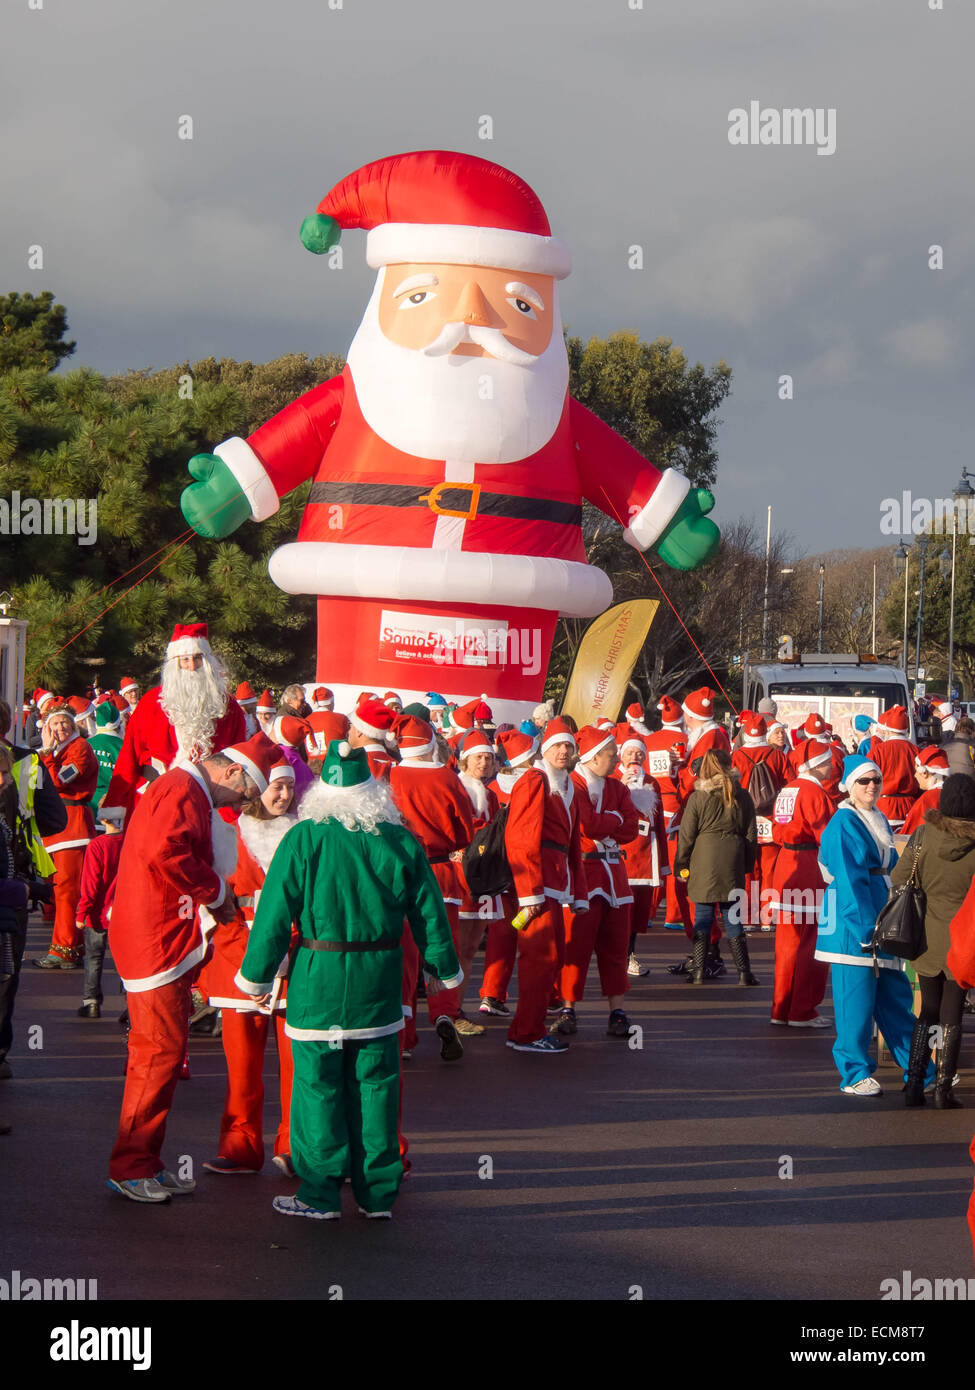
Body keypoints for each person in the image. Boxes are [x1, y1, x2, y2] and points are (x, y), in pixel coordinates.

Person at [236, 740, 461, 1219]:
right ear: (372, 790)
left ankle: (319, 1193)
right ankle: (377, 1192)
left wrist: (255, 978)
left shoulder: (303, 838)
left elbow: (274, 914)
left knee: (317, 1087)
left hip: (319, 978)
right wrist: (443, 969)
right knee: (377, 1085)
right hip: (378, 980)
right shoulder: (399, 838)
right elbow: (429, 912)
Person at [106, 732, 275, 1203]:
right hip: (154, 937)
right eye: (244, 793)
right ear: (232, 771)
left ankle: (145, 1161)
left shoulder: (183, 788)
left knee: (162, 1049)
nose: (242, 805)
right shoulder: (182, 789)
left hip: (160, 933)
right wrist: (217, 893)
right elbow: (166, 851)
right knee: (157, 1052)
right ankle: (132, 1163)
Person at [815, 755, 933, 1098]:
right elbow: (851, 884)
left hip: (882, 921)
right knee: (856, 1004)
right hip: (854, 930)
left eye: (876, 781)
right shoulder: (843, 824)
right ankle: (853, 1073)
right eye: (864, 781)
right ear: (850, 785)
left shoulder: (875, 816)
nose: (871, 786)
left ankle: (921, 1069)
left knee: (895, 1001)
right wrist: (867, 930)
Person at [201, 762, 298, 1175]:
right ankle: (240, 1146)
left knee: (300, 1065)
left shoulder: (305, 835)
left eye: (290, 788)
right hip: (238, 963)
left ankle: (296, 1145)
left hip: (296, 960)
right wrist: (252, 967)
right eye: (276, 786)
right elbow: (218, 909)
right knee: (242, 1069)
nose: (284, 796)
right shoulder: (226, 834)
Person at [100, 623, 246, 826]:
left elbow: (238, 759)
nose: (192, 666)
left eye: (197, 658)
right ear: (175, 664)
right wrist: (116, 802)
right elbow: (129, 755)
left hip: (209, 807)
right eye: (185, 660)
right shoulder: (151, 703)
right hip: (154, 802)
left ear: (208, 662)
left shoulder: (228, 708)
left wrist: (235, 809)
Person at [389, 715, 477, 1050]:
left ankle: (406, 1035)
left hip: (402, 875)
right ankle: (444, 1013)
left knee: (407, 955)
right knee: (443, 949)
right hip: (441, 874)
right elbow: (465, 831)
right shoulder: (446, 777)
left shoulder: (390, 776)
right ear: (429, 744)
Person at [889, 773, 975, 1109]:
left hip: (926, 935)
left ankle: (914, 1085)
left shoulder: (924, 835)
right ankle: (943, 1089)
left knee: (928, 1011)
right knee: (954, 1015)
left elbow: (899, 879)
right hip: (964, 938)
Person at [504, 718, 587, 1054]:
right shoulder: (535, 780)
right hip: (538, 884)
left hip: (556, 883)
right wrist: (529, 892)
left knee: (551, 957)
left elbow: (574, 844)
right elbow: (521, 838)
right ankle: (526, 1032)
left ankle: (528, 1027)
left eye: (568, 746)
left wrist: (578, 892)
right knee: (540, 957)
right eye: (557, 745)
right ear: (544, 749)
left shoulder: (567, 785)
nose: (564, 751)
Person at [557, 726, 639, 1036]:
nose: (617, 760)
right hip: (583, 876)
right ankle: (567, 1008)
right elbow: (588, 825)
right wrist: (614, 819)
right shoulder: (573, 785)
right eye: (611, 755)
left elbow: (632, 827)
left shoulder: (617, 787)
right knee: (575, 947)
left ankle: (617, 1010)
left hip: (615, 877)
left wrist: (613, 821)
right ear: (593, 758)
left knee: (615, 948)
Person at [674, 748, 759, 986]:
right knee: (733, 917)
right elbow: (751, 835)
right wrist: (746, 865)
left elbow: (687, 836)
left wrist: (682, 866)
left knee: (702, 915)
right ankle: (744, 973)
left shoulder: (698, 797)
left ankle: (699, 970)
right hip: (732, 856)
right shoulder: (741, 795)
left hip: (704, 857)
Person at [769, 740, 836, 1025]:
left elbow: (776, 830)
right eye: (828, 761)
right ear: (817, 764)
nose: (833, 766)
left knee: (786, 946)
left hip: (785, 866)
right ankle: (803, 1010)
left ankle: (781, 1009)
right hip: (810, 869)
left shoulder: (789, 788)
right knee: (812, 943)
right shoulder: (814, 792)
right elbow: (828, 836)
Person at [478, 726, 537, 1017]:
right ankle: (545, 1000)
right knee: (533, 936)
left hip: (495, 872)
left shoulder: (491, 788)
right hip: (524, 871)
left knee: (502, 932)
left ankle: (492, 993)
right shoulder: (536, 783)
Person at [34, 705, 99, 969]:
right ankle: (67, 946)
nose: (60, 729)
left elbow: (58, 781)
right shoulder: (59, 750)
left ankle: (65, 950)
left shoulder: (80, 748)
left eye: (64, 724)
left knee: (67, 892)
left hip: (72, 830)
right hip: (57, 830)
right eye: (55, 724)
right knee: (61, 891)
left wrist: (47, 755)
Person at [615, 738, 668, 976]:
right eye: (630, 752)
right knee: (620, 909)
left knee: (638, 913)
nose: (634, 757)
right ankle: (618, 956)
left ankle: (629, 955)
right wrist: (621, 788)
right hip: (621, 854)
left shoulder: (652, 782)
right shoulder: (613, 782)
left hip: (646, 854)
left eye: (638, 753)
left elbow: (658, 822)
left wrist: (663, 863)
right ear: (621, 756)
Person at [643, 695, 689, 933]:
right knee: (674, 862)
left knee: (654, 858)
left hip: (651, 803)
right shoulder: (686, 739)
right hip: (675, 805)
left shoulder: (648, 740)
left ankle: (648, 911)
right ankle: (674, 913)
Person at [74, 812, 126, 1019]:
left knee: (94, 959)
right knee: (125, 961)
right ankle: (131, 1004)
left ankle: (91, 1002)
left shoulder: (97, 845)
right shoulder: (130, 841)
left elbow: (91, 883)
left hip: (98, 912)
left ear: (103, 819)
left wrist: (82, 911)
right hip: (123, 911)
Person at [867, 707, 919, 829]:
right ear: (906, 730)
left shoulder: (877, 750)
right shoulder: (915, 750)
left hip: (882, 806)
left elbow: (866, 776)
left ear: (887, 729)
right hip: (909, 807)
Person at [900, 747, 949, 836]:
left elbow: (910, 834)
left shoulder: (928, 799)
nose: (915, 776)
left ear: (924, 773)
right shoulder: (955, 793)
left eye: (916, 771)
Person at [941, 715, 975, 782]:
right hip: (968, 786)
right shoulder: (972, 747)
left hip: (947, 784)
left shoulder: (945, 745)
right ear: (972, 731)